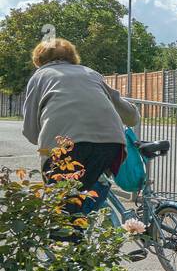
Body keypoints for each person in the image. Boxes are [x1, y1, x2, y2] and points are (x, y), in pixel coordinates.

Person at [21, 38, 141, 215]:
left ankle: (69, 238)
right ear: (72, 57)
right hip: (111, 145)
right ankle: (85, 227)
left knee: (61, 212)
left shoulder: (40, 76)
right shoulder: (91, 73)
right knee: (87, 194)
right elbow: (131, 117)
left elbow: (30, 131)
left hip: (66, 149)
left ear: (39, 60)